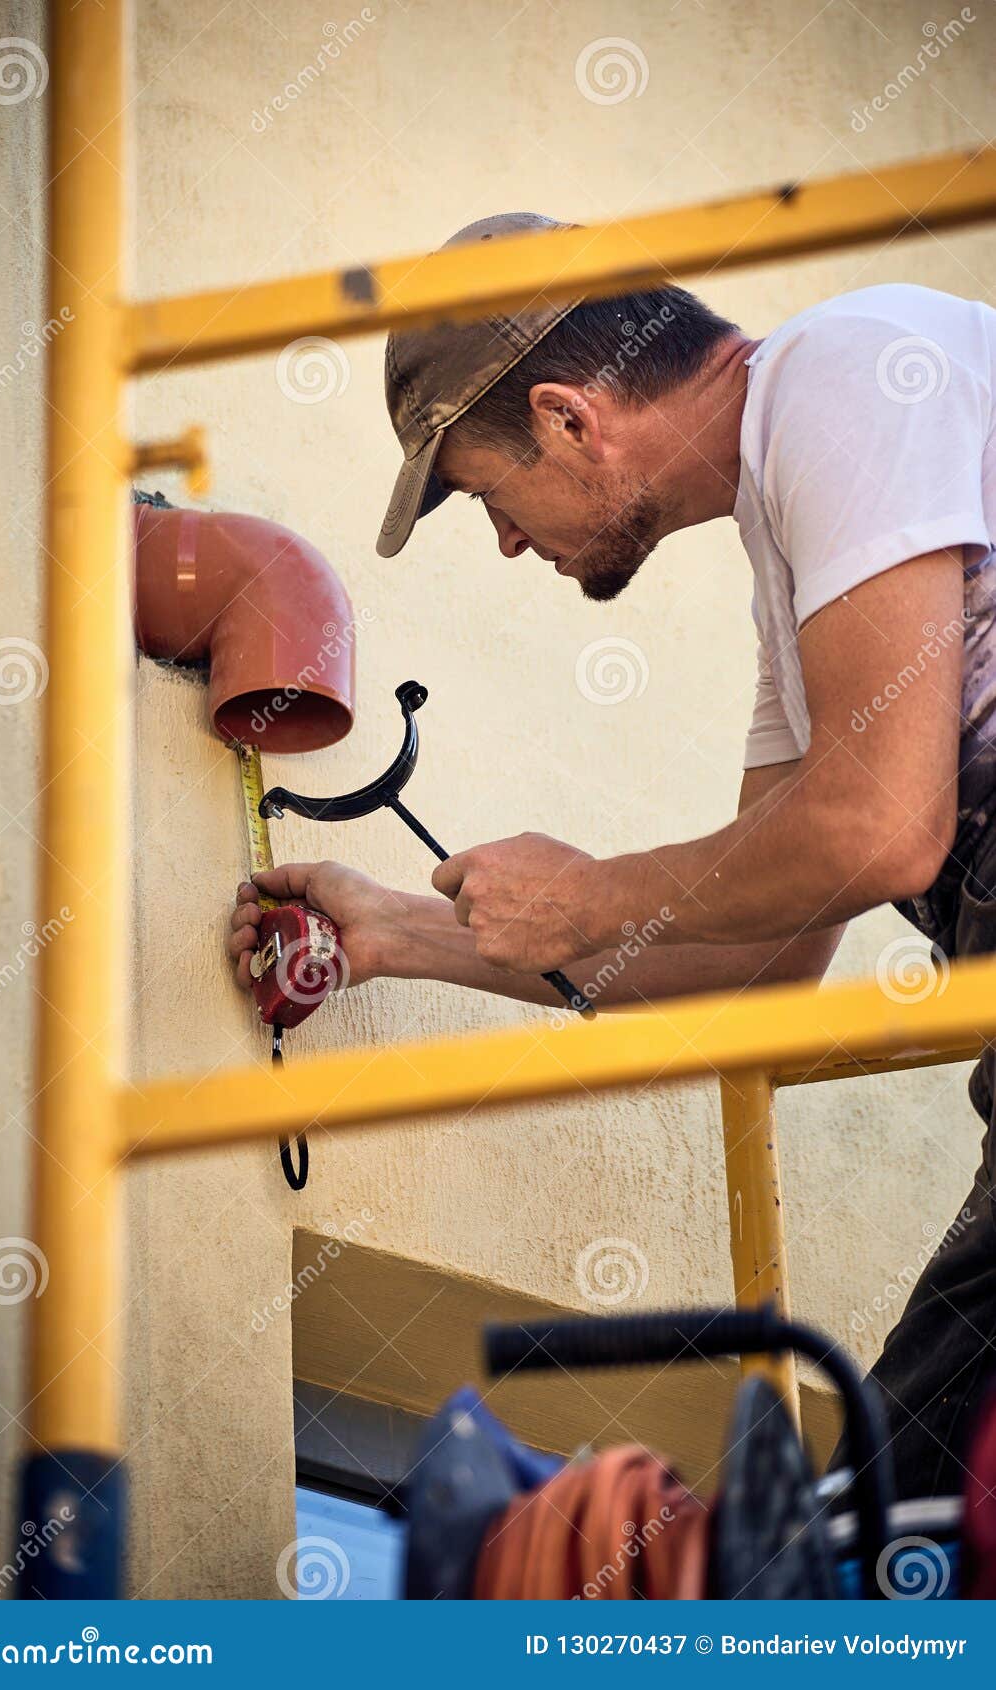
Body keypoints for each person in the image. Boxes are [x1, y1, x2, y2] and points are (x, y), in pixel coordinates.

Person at [230, 213, 996, 1499]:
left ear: (570, 419)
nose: (509, 544)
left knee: (903, 1528)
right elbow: (753, 971)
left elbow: (878, 825)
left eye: (486, 496)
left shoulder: (851, 369)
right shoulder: (794, 592)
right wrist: (400, 935)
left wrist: (591, 893)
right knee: (909, 1512)